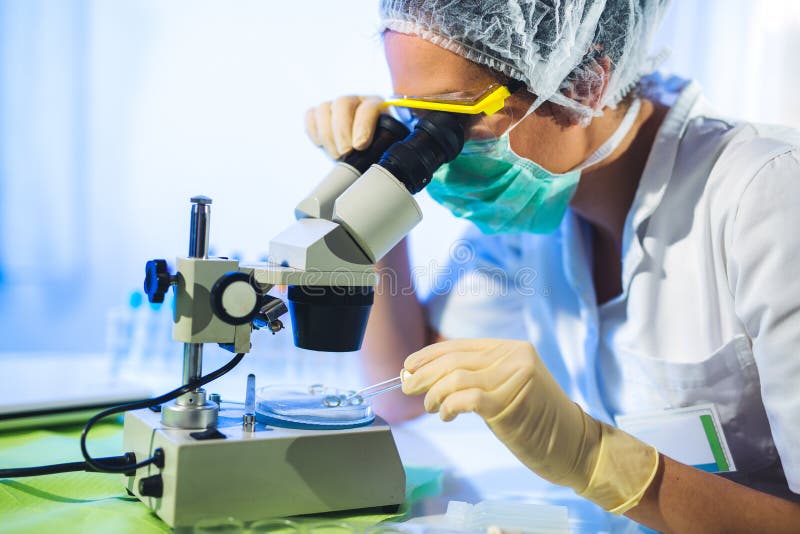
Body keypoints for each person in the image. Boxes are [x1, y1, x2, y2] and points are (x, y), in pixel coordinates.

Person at [305, 1, 800, 531]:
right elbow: (402, 385)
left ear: (584, 82)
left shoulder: (768, 198)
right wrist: (376, 186)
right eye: (416, 116)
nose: (439, 155)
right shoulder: (534, 212)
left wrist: (594, 460)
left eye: (454, 118)